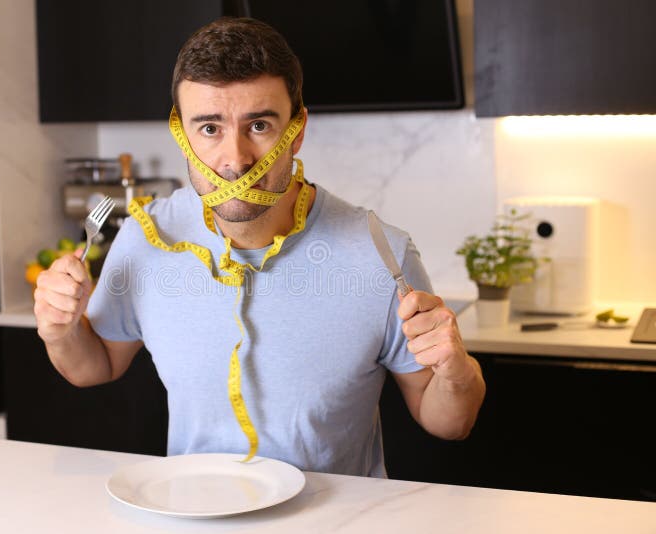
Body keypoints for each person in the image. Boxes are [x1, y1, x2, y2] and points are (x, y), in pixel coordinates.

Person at [34, 17, 485, 478]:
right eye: (209, 128)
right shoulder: (144, 240)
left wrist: (458, 370)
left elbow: (451, 423)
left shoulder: (381, 252)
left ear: (297, 128)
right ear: (182, 134)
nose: (235, 159)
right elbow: (96, 366)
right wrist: (60, 332)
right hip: (196, 517)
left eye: (260, 125)